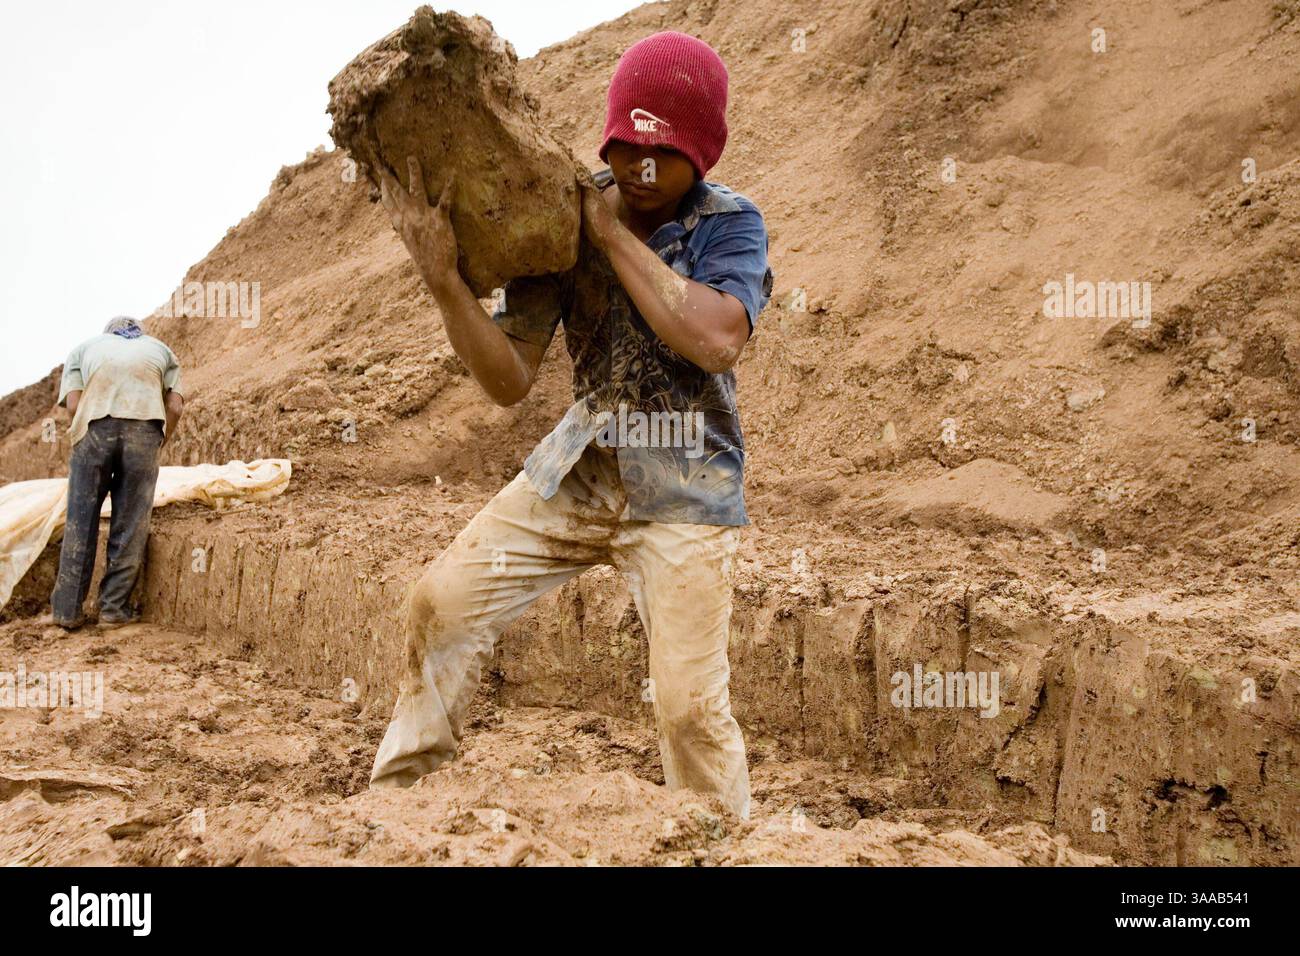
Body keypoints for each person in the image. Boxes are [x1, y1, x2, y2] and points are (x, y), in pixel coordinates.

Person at [370, 31, 772, 818]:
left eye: (664, 154)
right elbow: (508, 379)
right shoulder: (559, 213)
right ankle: (398, 810)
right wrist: (444, 283)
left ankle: (718, 841)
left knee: (688, 707)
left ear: (704, 155)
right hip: (580, 470)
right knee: (438, 604)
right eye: (627, 147)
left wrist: (613, 235)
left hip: (688, 486)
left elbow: (717, 339)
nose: (640, 170)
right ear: (610, 134)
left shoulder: (730, 224)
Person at [51, 316, 185, 630]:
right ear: (140, 334)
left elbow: (73, 405)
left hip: (95, 429)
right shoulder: (162, 350)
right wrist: (159, 439)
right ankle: (113, 609)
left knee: (81, 518)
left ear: (108, 334)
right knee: (131, 520)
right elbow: (176, 407)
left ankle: (67, 612)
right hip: (145, 429)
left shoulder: (84, 348)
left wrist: (86, 436)